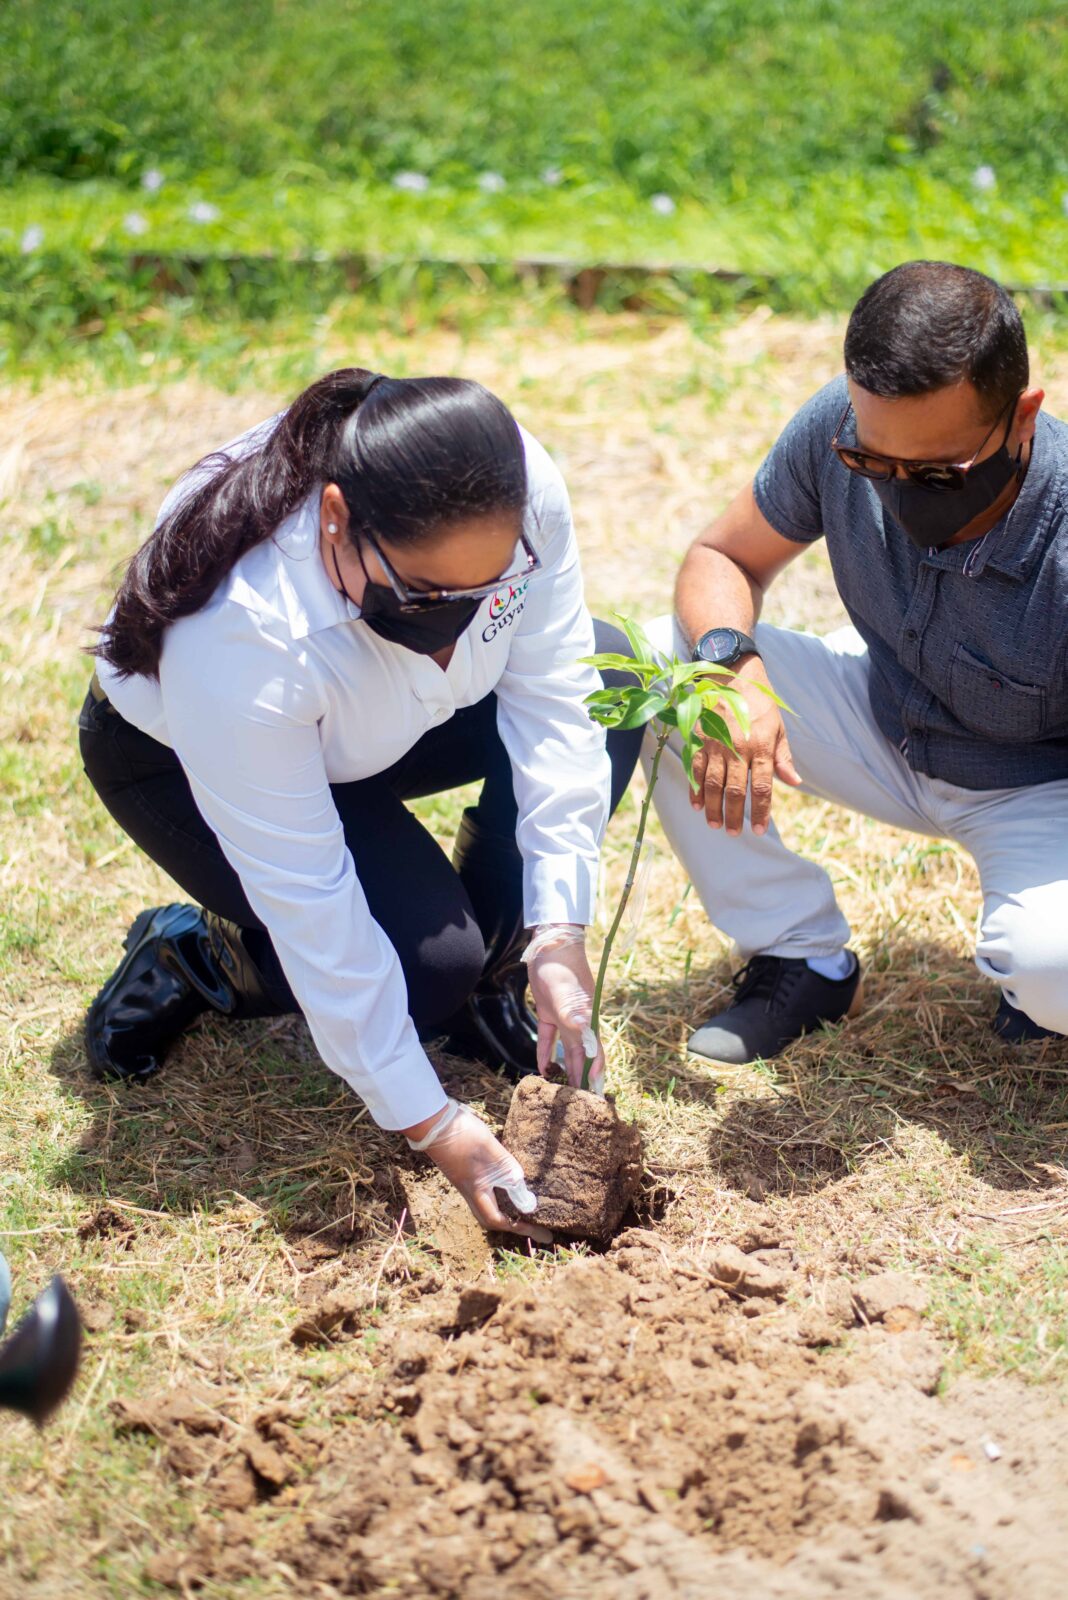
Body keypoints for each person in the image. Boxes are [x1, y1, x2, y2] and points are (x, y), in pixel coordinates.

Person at [80, 369, 643, 1236]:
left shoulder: (515, 489)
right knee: (422, 969)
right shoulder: (241, 634)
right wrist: (432, 1121)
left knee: (610, 681)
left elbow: (557, 696)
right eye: (422, 596)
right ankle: (200, 953)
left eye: (483, 593)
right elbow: (313, 898)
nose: (453, 629)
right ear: (337, 518)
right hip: (187, 758)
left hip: (379, 727)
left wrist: (555, 928)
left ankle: (489, 984)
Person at [647, 260, 1068, 1064]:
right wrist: (732, 668)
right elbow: (721, 558)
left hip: (1037, 786)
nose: (902, 492)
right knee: (679, 676)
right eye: (875, 468)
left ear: (1021, 419)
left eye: (939, 472)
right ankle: (799, 958)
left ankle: (1033, 986)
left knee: (1056, 973)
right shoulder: (836, 424)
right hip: (886, 713)